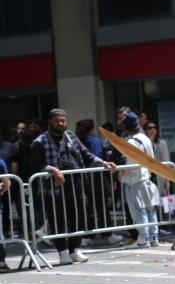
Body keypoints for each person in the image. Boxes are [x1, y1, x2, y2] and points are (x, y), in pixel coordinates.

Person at [28, 109, 117, 265]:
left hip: (76, 184)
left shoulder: (70, 136)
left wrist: (102, 162)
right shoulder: (40, 141)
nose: (60, 123)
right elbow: (34, 164)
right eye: (57, 120)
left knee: (80, 216)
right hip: (54, 188)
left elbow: (85, 154)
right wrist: (52, 170)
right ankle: (62, 252)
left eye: (63, 120)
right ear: (50, 121)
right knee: (59, 220)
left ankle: (74, 250)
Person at [119, 112, 161, 248]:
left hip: (134, 179)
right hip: (146, 176)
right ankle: (154, 237)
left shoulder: (130, 142)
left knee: (138, 209)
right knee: (149, 208)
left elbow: (129, 164)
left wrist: (121, 173)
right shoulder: (145, 138)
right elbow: (151, 157)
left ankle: (143, 239)